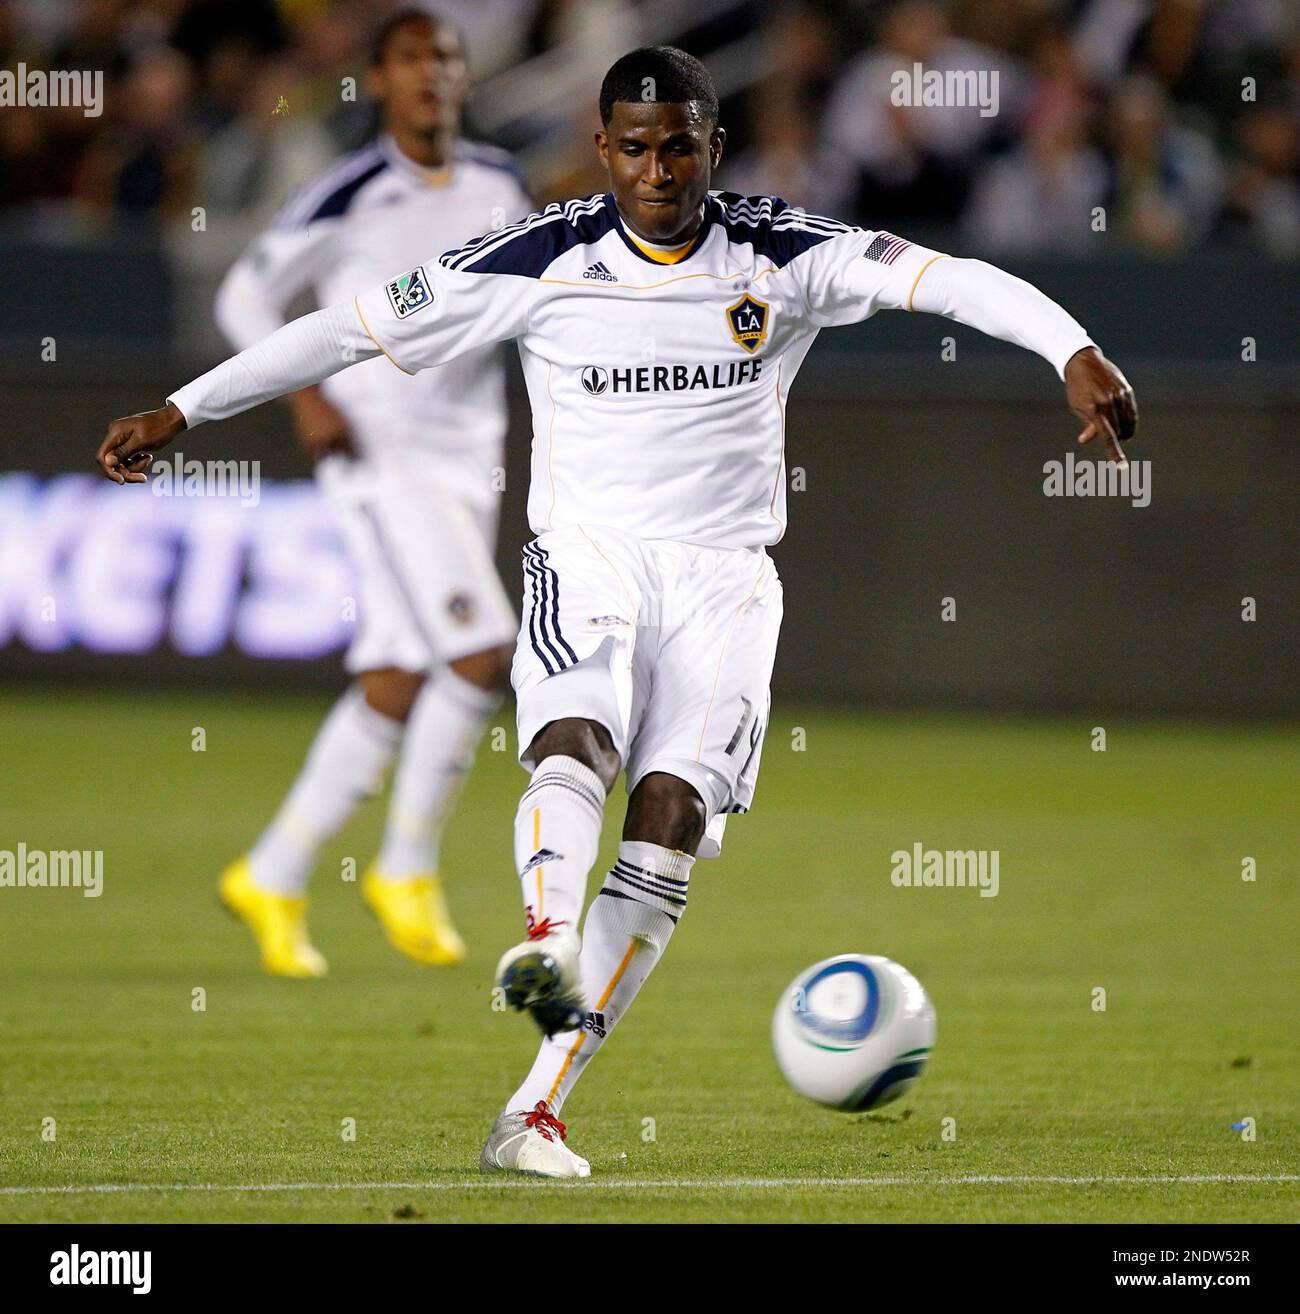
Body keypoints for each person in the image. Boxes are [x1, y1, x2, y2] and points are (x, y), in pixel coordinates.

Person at [96, 46, 1137, 1176]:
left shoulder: (785, 253)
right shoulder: (534, 259)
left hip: (729, 579)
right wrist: (183, 410)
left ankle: (530, 1116)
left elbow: (948, 277)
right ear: (602, 151)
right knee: (574, 743)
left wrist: (1071, 348)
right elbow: (347, 328)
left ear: (711, 144)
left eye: (677, 144)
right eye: (634, 147)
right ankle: (545, 940)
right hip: (587, 557)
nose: (656, 168)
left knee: (670, 829)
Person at [212, 9, 531, 976]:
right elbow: (243, 295)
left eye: (445, 57)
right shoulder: (347, 191)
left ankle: (271, 871)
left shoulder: (497, 183)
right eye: (408, 59)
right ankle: (404, 866)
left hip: (468, 449)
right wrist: (306, 394)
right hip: (379, 450)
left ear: (464, 77)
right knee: (480, 650)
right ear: (379, 83)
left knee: (396, 677)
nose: (430, 73)